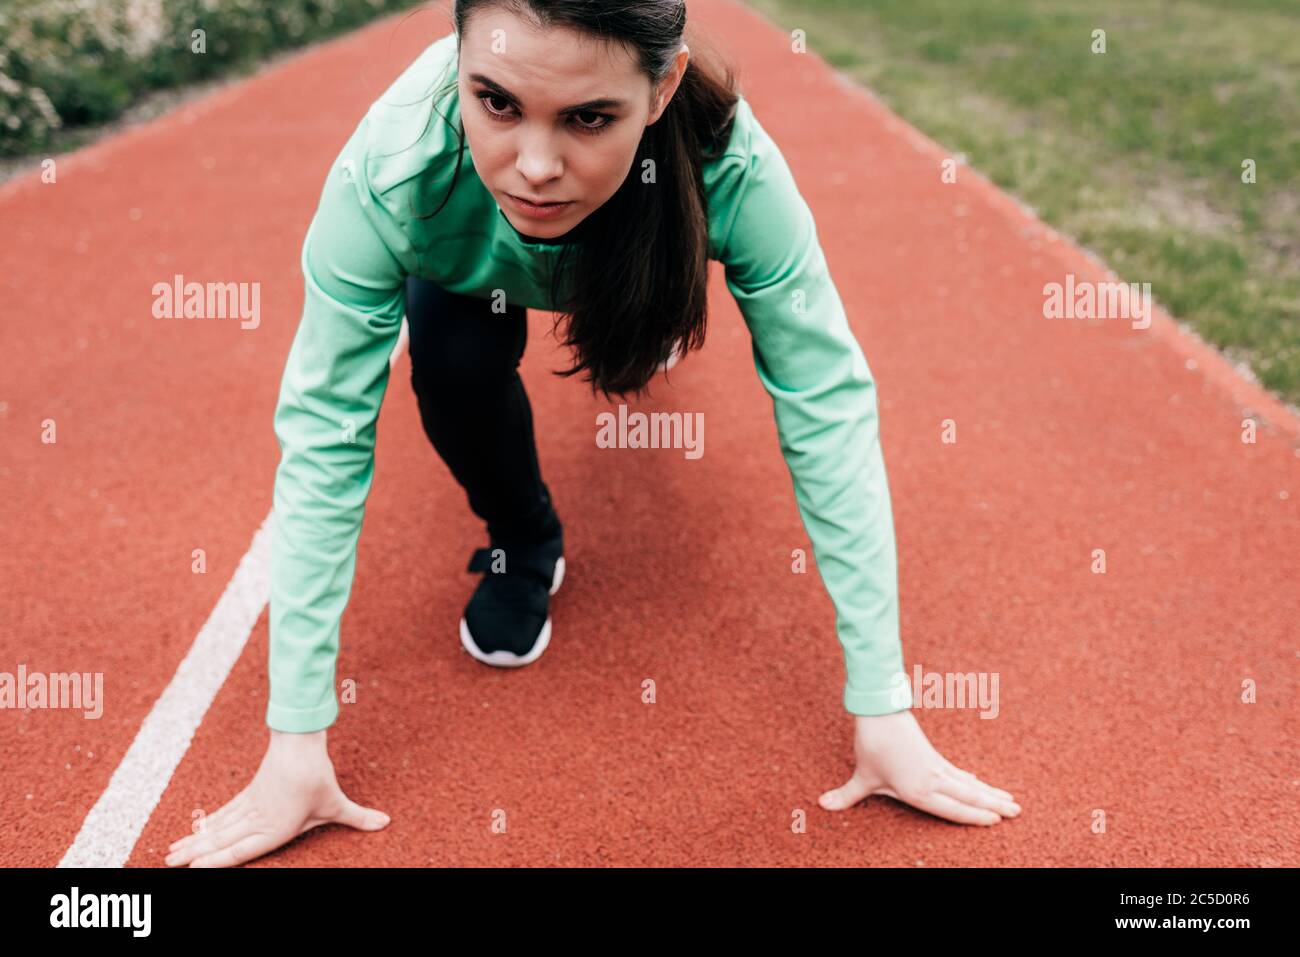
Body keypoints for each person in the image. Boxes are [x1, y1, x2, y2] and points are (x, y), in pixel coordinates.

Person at [166, 0, 1019, 869]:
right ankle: (525, 537)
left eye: (588, 117)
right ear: (454, 58)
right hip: (466, 275)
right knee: (451, 368)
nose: (534, 167)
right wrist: (294, 744)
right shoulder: (391, 169)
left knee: (635, 347)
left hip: (635, 246)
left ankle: (624, 299)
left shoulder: (733, 167)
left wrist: (883, 705)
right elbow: (324, 434)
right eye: (495, 101)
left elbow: (825, 397)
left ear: (662, 89)